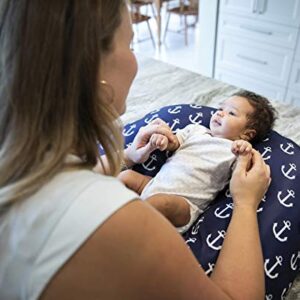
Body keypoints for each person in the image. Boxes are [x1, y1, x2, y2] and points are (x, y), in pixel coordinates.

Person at [0, 1, 271, 299]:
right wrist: (245, 203)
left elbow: (65, 175)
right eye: (130, 44)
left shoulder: (19, 162)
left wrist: (129, 156)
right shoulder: (123, 223)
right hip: (156, 189)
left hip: (181, 197)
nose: (136, 59)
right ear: (92, 69)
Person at [119, 91, 277, 231]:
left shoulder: (236, 151)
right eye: (221, 109)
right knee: (125, 176)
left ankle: (124, 226)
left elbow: (244, 178)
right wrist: (162, 140)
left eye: (231, 113)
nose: (220, 114)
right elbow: (174, 142)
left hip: (184, 204)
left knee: (161, 203)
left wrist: (244, 155)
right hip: (155, 184)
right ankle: (109, 207)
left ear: (247, 135)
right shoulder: (195, 130)